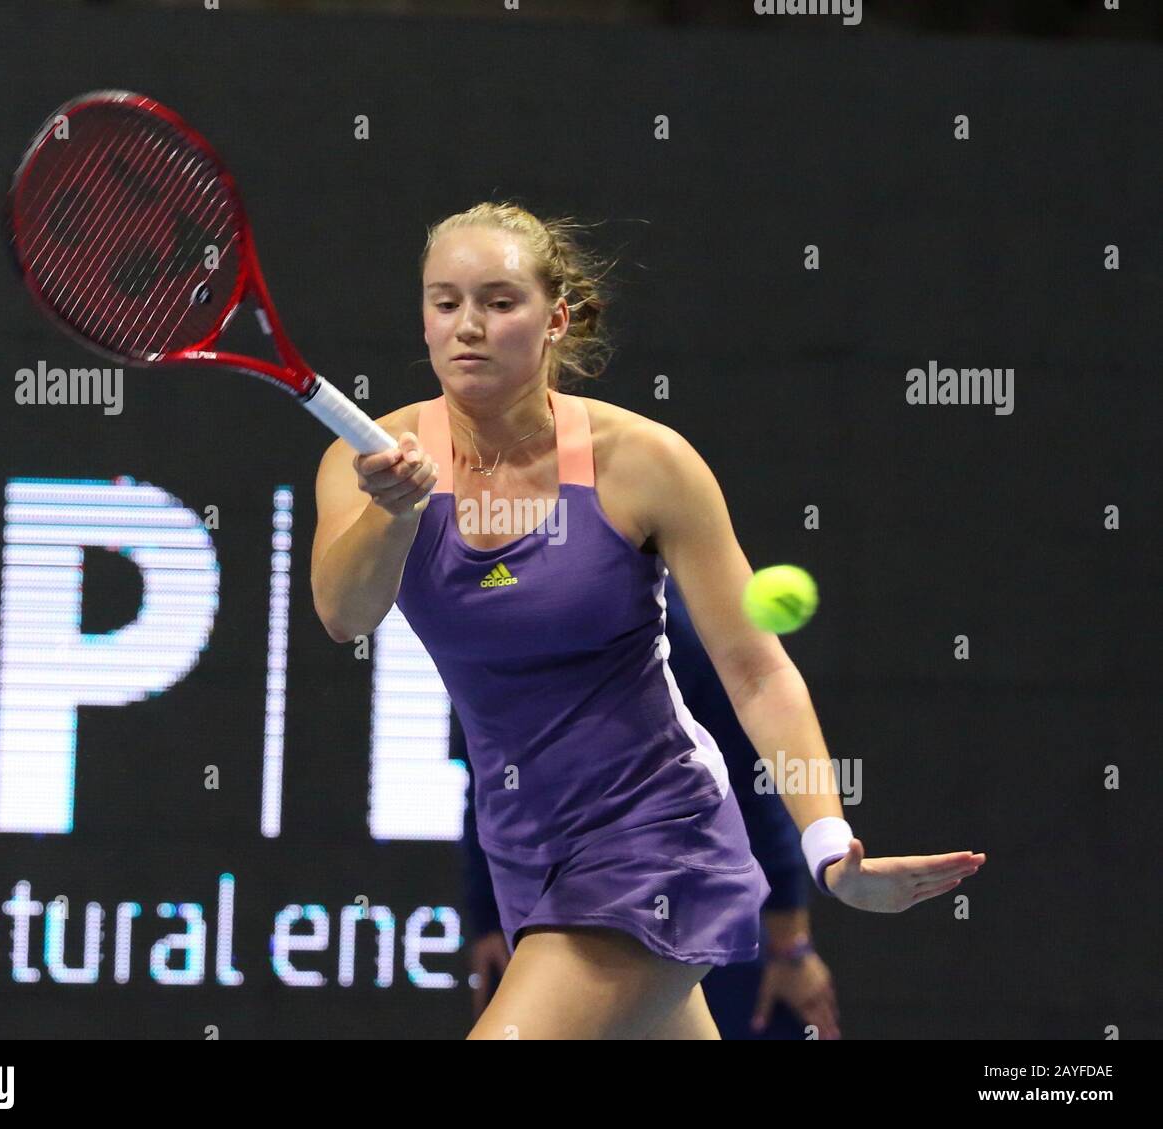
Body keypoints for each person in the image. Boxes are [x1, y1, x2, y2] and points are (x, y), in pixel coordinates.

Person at [311, 201, 985, 1039]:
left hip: (657, 834)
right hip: (524, 853)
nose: (468, 327)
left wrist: (827, 845)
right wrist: (396, 512)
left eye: (499, 301)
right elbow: (344, 614)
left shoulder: (647, 463)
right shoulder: (366, 459)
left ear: (554, 318)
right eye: (444, 302)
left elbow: (756, 667)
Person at [456, 577, 838, 1039]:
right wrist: (486, 916)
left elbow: (754, 768)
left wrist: (790, 943)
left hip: (659, 880)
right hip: (542, 897)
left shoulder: (673, 623)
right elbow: (489, 771)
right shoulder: (500, 616)